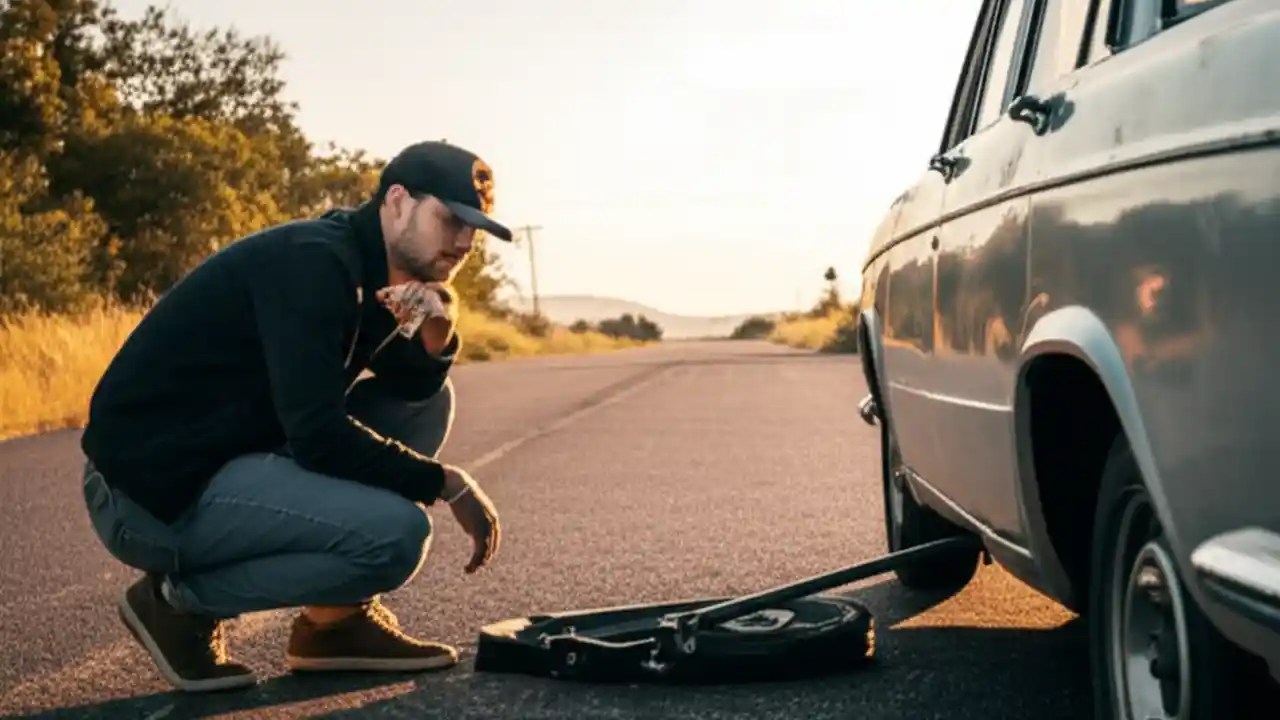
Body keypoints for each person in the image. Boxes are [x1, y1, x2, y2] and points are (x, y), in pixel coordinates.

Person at [78, 140, 507, 692]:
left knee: (428, 402)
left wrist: (435, 331)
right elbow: (318, 436)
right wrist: (446, 482)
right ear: (398, 201)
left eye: (475, 230)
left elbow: (409, 387)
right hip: (149, 493)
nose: (466, 242)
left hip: (238, 452)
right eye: (450, 219)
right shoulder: (314, 264)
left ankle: (334, 625)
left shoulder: (373, 270)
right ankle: (175, 605)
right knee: (396, 537)